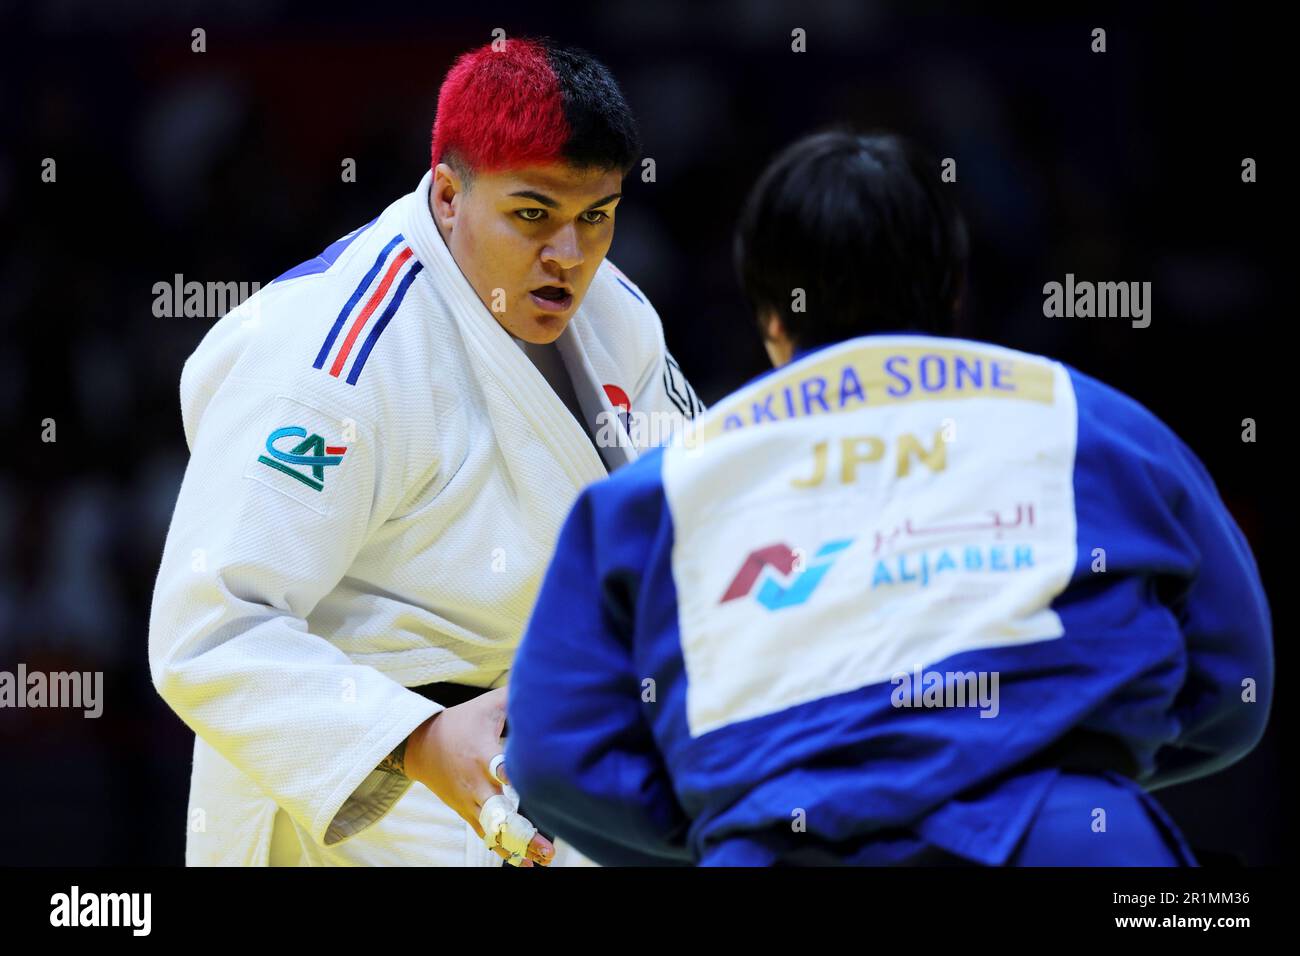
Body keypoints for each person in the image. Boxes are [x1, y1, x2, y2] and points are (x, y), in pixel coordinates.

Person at [504, 129, 1273, 866]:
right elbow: (1235, 677)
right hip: (1073, 840)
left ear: (768, 315)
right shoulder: (1093, 422)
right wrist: (1085, 753)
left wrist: (733, 821)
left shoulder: (658, 487)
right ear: (954, 290)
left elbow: (553, 759)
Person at [148, 37, 701, 867]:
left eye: (598, 216)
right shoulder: (336, 361)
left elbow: (693, 511)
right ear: (448, 195)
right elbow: (208, 626)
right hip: (361, 780)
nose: (569, 256)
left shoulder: (616, 315)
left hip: (535, 765)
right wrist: (418, 741)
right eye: (532, 214)